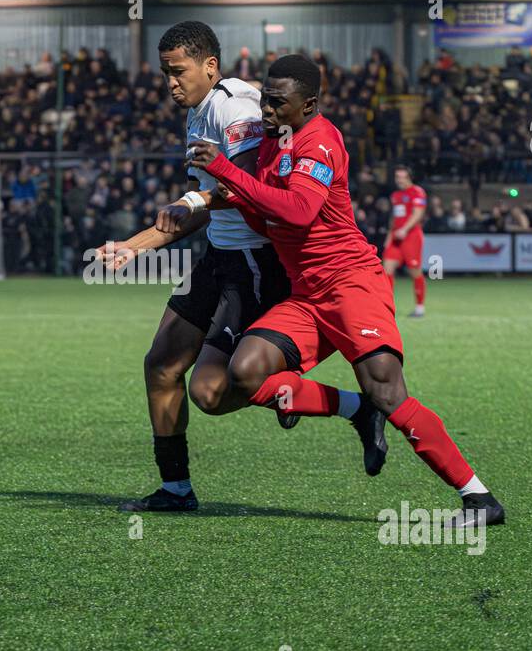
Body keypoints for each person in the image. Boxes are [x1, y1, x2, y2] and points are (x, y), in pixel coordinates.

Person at [175, 55, 503, 528]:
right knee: (244, 374)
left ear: (308, 104)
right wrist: (208, 195)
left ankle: (478, 499)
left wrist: (226, 172)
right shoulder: (272, 143)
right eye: (264, 98)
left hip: (350, 284)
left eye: (277, 102)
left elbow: (299, 211)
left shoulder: (320, 140)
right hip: (306, 295)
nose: (266, 109)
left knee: (388, 391)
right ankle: (355, 408)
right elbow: (261, 208)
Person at [98, 22, 293, 513]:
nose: (170, 82)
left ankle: (312, 396)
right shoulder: (196, 116)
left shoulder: (237, 108)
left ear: (210, 66)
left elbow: (249, 185)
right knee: (161, 364)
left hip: (255, 261)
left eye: (178, 71)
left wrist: (191, 201)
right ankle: (176, 489)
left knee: (212, 391)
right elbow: (195, 209)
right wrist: (134, 246)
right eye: (165, 73)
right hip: (217, 257)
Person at [383, 165, 429, 317]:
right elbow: (394, 218)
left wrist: (405, 229)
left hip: (412, 236)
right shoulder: (395, 195)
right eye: (398, 177)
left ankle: (419, 308)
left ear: (410, 177)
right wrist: (389, 237)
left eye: (403, 177)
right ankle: (387, 307)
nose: (400, 180)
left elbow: (418, 214)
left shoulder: (417, 192)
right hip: (396, 237)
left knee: (414, 271)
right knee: (387, 269)